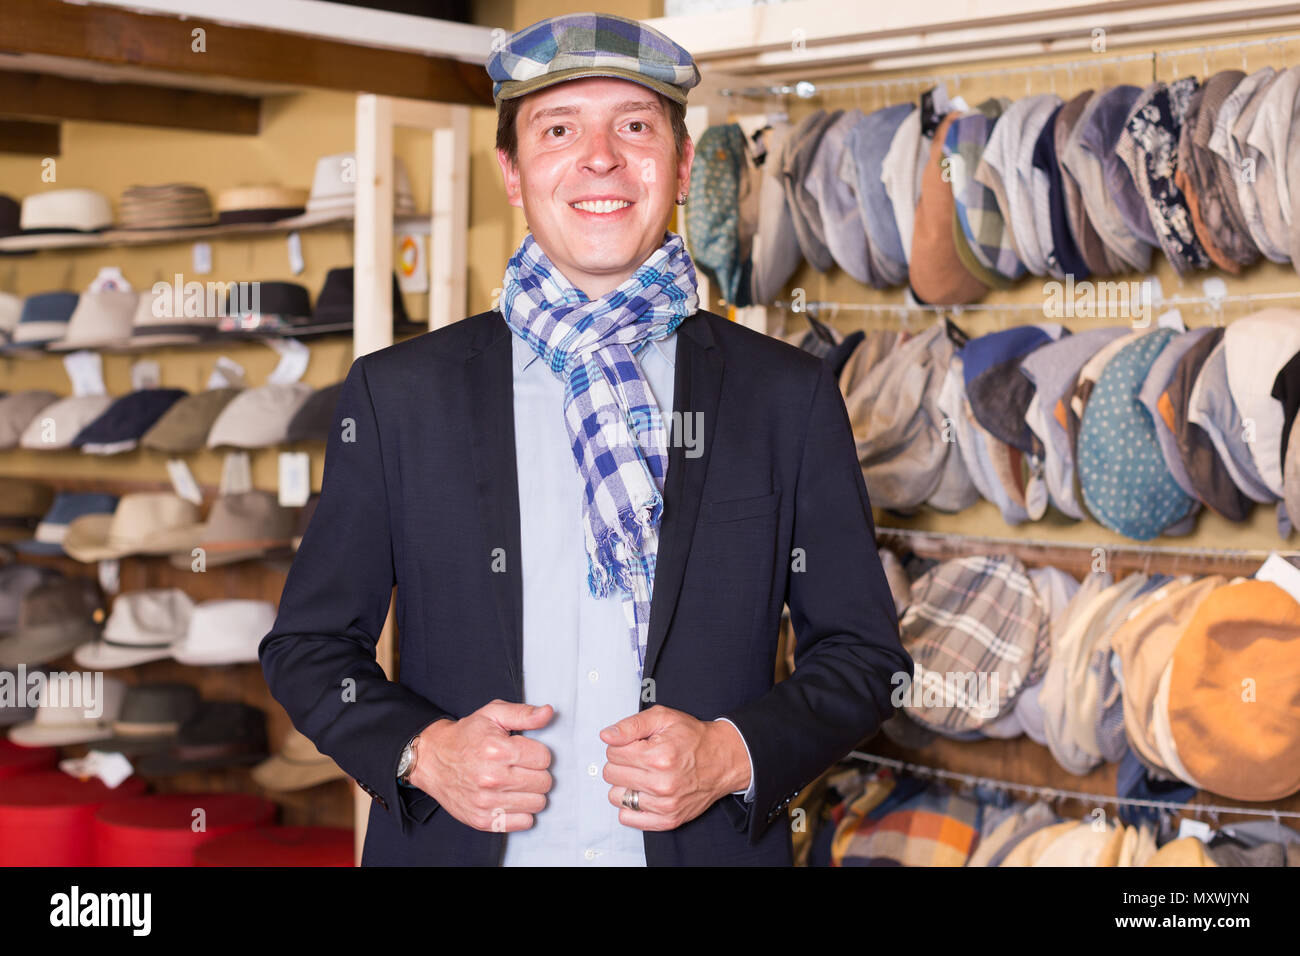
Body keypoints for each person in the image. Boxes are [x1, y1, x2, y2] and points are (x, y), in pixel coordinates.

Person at [259, 10, 910, 867]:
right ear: (514, 173)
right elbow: (308, 649)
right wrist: (423, 751)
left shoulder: (786, 396)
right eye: (559, 128)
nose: (600, 157)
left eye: (634, 126)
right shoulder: (397, 396)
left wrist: (731, 754)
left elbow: (866, 658)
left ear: (679, 167)